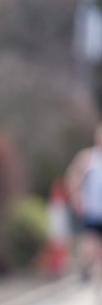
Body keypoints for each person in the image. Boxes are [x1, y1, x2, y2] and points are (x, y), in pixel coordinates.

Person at [64, 121, 102, 288]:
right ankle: (86, 270)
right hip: (93, 212)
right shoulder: (88, 158)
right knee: (90, 249)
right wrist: (76, 197)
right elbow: (72, 177)